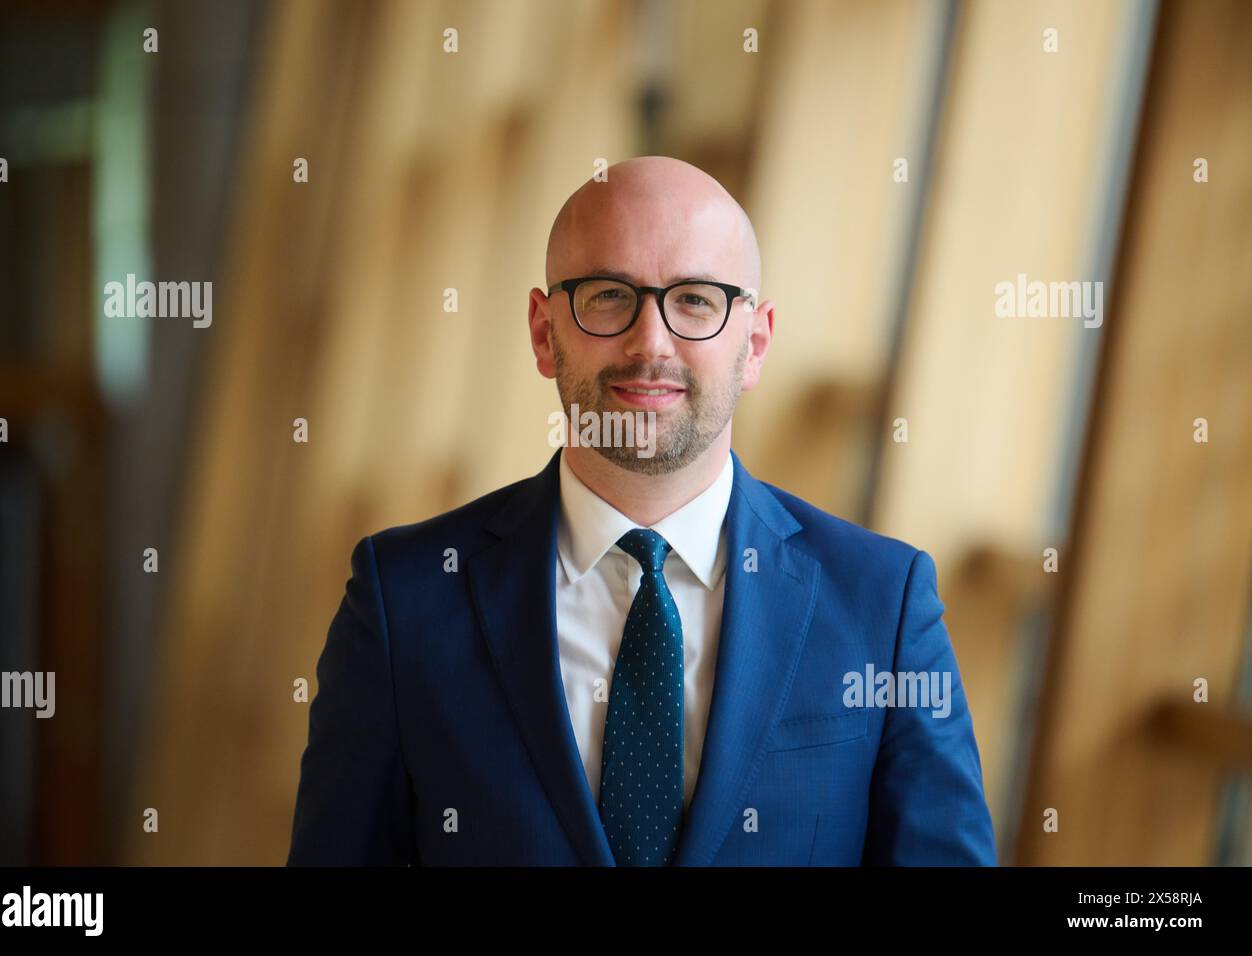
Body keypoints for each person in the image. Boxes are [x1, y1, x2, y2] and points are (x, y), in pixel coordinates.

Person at [287, 156, 996, 866]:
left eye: (694, 299)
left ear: (754, 344)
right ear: (543, 331)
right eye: (606, 295)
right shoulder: (405, 599)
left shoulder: (883, 603)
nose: (651, 342)